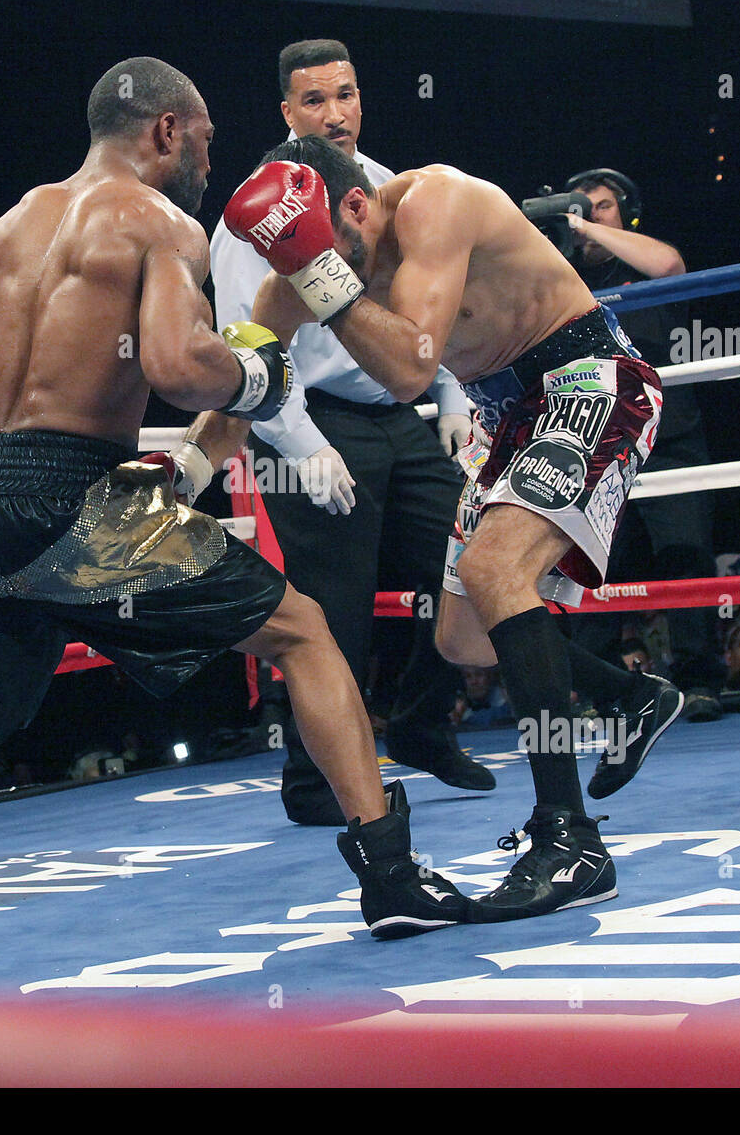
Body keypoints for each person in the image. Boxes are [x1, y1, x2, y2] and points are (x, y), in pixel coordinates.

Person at [0, 58, 469, 977]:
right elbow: (180, 367)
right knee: (303, 635)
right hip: (77, 504)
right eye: (208, 142)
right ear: (167, 132)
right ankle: (390, 876)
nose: (210, 163)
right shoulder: (161, 223)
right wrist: (259, 376)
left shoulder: (10, 227)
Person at [209, 136, 686, 922]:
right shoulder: (302, 272)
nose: (322, 273)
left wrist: (318, 272)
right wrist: (181, 474)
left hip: (587, 378)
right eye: (301, 259)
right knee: (464, 639)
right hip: (508, 414)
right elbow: (245, 393)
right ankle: (631, 697)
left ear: (356, 205)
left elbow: (406, 372)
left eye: (329, 251)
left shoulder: (440, 203)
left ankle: (570, 842)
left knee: (499, 573)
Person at [210, 38, 491, 824]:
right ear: (286, 113)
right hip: (307, 411)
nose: (335, 114)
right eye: (314, 100)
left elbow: (416, 310)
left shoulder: (385, 187)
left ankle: (424, 722)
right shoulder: (252, 213)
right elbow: (249, 343)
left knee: (467, 557)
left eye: (346, 94)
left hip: (398, 410)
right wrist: (301, 444)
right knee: (332, 610)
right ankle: (313, 785)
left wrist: (450, 390)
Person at [559, 169, 718, 706]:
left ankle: (698, 682)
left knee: (685, 553)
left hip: (670, 435)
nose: (590, 214)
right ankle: (605, 692)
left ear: (623, 213)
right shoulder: (562, 277)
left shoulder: (645, 264)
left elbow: (671, 265)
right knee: (593, 565)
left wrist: (588, 226)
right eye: (582, 207)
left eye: (603, 206)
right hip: (596, 441)